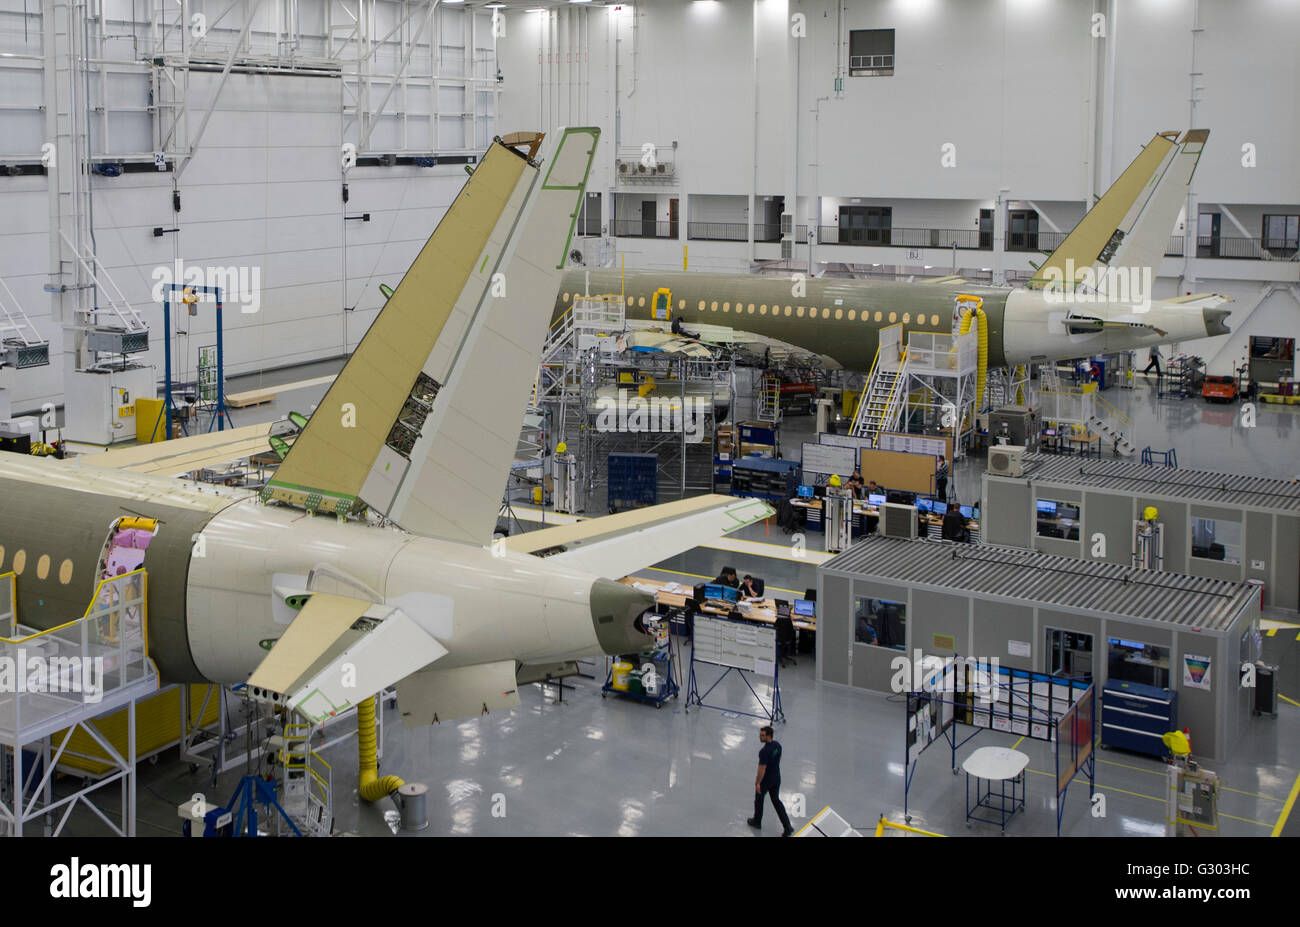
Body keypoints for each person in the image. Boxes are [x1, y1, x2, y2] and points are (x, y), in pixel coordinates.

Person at [746, 725, 793, 836]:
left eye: (762, 735)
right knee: (776, 801)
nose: (760, 737)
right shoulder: (777, 746)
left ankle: (757, 821)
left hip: (766, 779)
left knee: (759, 799)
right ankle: (787, 826)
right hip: (776, 777)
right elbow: (777, 759)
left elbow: (762, 769)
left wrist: (758, 783)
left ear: (768, 736)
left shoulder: (764, 752)